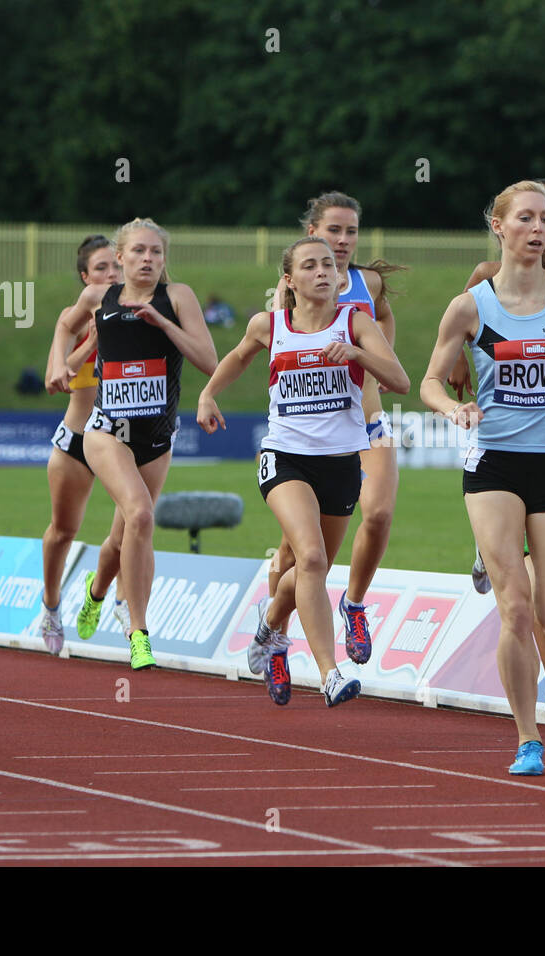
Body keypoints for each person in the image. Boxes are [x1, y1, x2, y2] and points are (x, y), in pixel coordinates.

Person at [421, 180, 545, 775]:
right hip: (494, 465)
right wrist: (454, 408)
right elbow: (428, 380)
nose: (538, 229)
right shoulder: (472, 306)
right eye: (526, 219)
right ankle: (527, 736)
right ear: (499, 227)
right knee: (514, 607)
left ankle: (501, 558)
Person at [198, 236, 409, 707]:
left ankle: (270, 625)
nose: (322, 272)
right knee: (309, 558)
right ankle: (329, 674)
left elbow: (400, 380)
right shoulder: (269, 325)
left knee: (312, 568)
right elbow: (237, 356)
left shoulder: (355, 323)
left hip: (341, 465)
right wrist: (208, 394)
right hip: (285, 458)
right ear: (289, 281)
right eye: (309, 266)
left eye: (329, 265)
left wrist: (357, 355)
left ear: (339, 277)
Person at [47, 218, 219, 670]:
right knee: (141, 514)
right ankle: (138, 631)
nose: (148, 259)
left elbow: (208, 360)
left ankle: (95, 592)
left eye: (156, 253)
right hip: (105, 432)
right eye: (139, 251)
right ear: (120, 258)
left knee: (123, 534)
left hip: (157, 439)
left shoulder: (178, 297)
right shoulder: (98, 297)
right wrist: (58, 365)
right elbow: (65, 325)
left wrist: (163, 323)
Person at [261, 192, 406, 668]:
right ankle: (276, 637)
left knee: (380, 513)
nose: (343, 242)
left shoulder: (370, 282)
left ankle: (356, 604)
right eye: (333, 231)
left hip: (369, 422)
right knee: (295, 553)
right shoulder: (295, 287)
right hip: (310, 434)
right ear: (311, 234)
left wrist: (376, 353)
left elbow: (382, 323)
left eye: (351, 232)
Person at [38, 234, 128, 655]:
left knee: (132, 524)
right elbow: (55, 380)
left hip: (123, 437)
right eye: (102, 269)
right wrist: (91, 343)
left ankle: (109, 598)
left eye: (117, 266)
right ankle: (52, 605)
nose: (112, 275)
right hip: (76, 438)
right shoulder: (74, 318)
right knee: (63, 531)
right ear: (85, 278)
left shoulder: (137, 309)